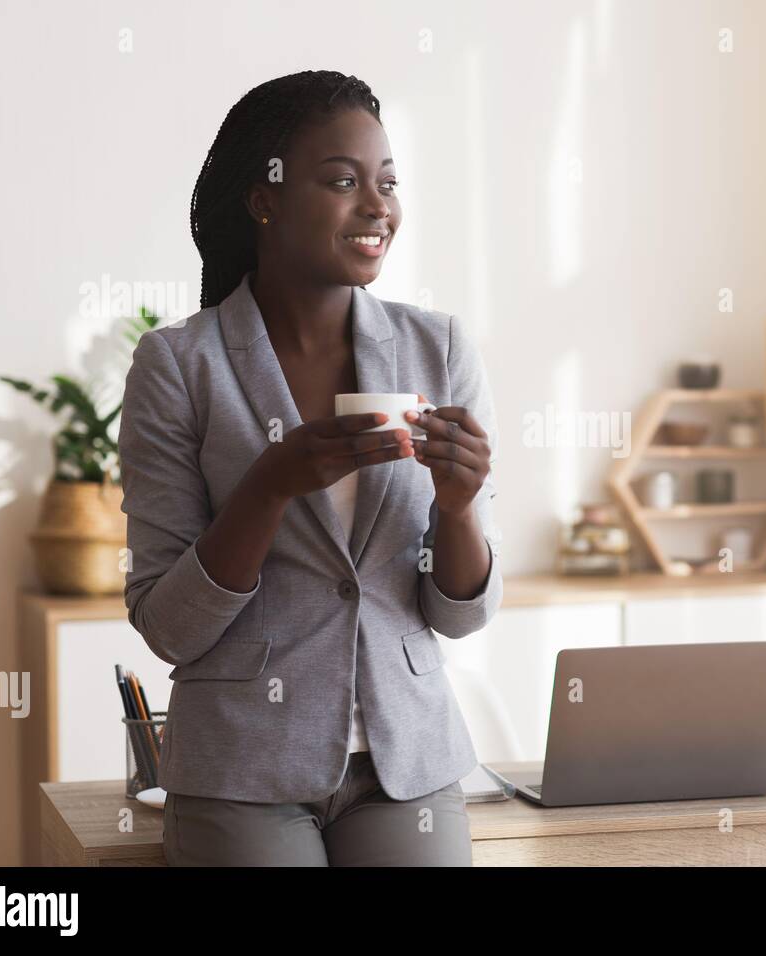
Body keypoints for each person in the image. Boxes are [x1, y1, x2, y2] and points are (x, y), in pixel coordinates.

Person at [117, 70, 503, 865]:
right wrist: (269, 484)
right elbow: (168, 626)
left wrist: (460, 509)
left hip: (406, 763)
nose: (377, 206)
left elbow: (460, 614)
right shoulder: (180, 365)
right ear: (265, 198)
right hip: (240, 765)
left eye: (387, 183)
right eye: (342, 181)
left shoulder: (438, 349)